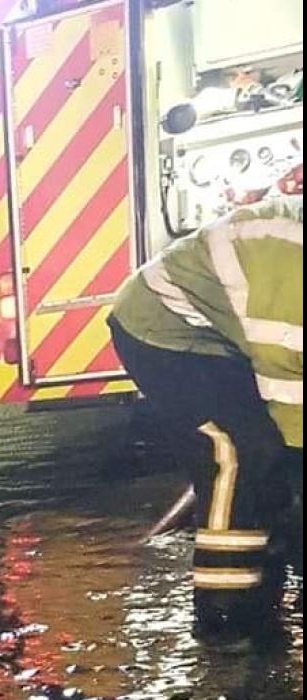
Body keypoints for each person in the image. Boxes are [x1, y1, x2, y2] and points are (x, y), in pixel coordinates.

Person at [108, 164, 302, 640]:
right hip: (161, 326)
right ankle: (224, 622)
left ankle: (269, 588)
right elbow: (292, 420)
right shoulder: (293, 295)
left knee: (270, 464)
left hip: (224, 327)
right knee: (241, 451)